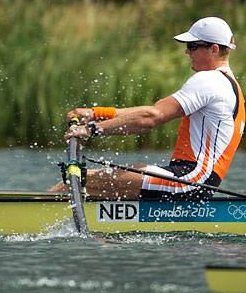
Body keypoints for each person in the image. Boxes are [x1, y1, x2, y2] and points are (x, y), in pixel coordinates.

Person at [55, 16, 244, 199]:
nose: (187, 52)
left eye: (192, 46)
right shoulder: (229, 86)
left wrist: (90, 129)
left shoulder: (209, 80)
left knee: (73, 182)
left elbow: (151, 117)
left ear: (214, 49)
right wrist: (97, 114)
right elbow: (151, 110)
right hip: (196, 183)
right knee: (102, 180)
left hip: (188, 180)